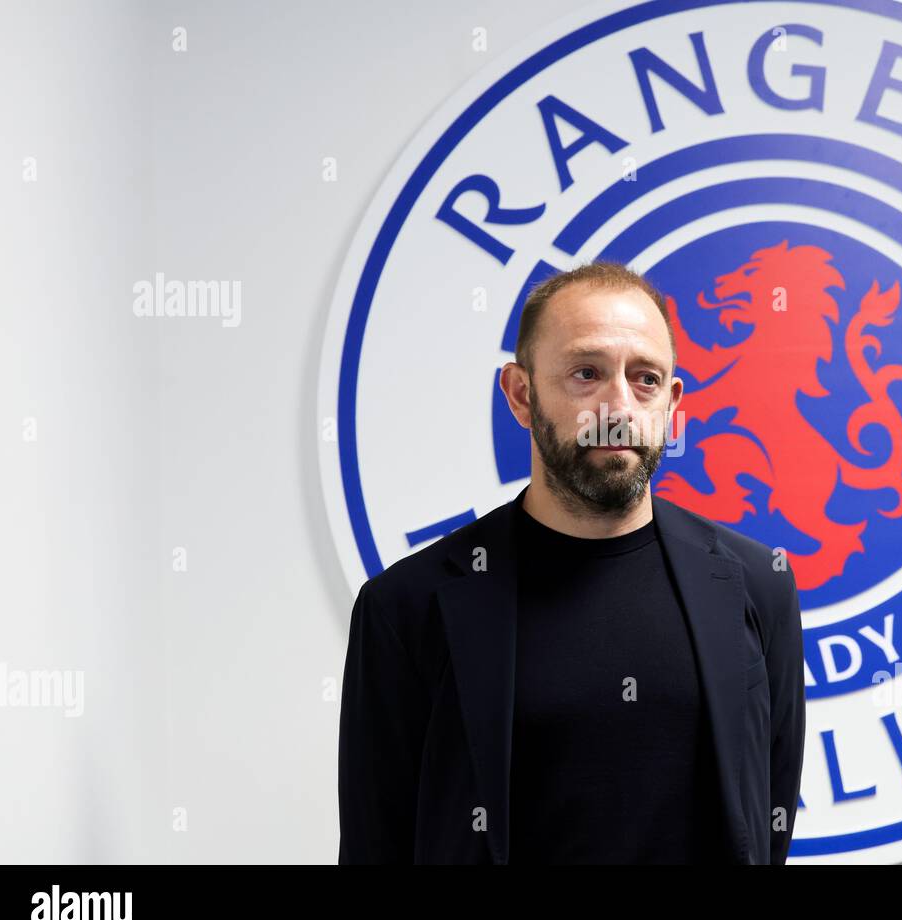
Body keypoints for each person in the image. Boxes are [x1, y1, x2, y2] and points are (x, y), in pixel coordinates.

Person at [338, 260, 806, 864]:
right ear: (521, 394)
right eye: (587, 373)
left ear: (672, 401)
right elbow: (377, 847)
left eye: (645, 379)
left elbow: (768, 827)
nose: (618, 405)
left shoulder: (757, 584)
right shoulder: (407, 607)